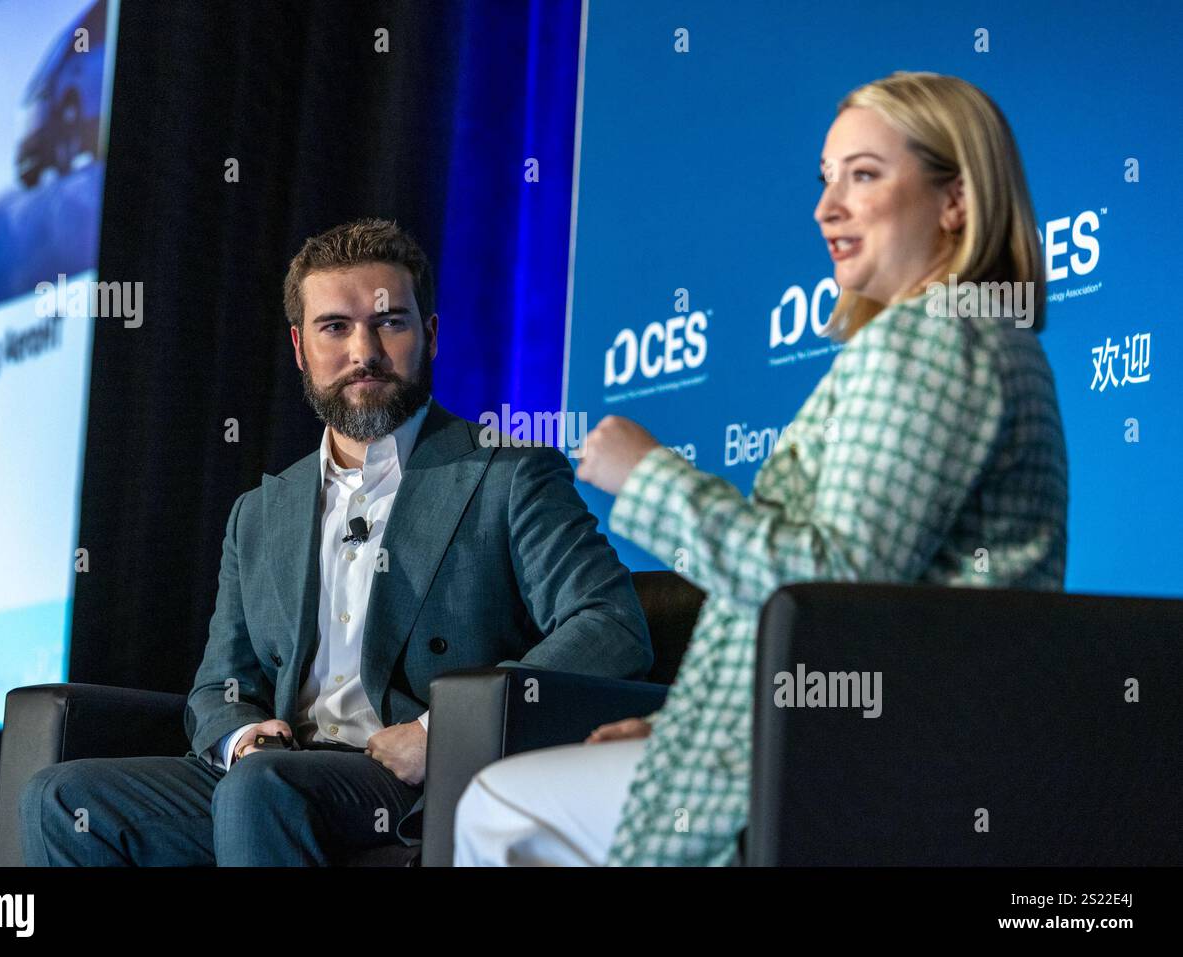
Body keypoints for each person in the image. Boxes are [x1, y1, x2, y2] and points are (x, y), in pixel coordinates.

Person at [453, 71, 1068, 866]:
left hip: (878, 768)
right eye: (826, 178)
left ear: (956, 201)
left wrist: (647, 475)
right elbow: (875, 622)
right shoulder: (983, 333)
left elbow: (835, 593)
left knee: (499, 808)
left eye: (865, 175)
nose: (827, 207)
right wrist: (706, 731)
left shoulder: (932, 341)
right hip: (903, 747)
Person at [19, 218, 652, 865]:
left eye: (389, 322)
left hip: (412, 776)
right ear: (299, 346)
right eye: (335, 327)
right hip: (280, 769)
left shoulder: (507, 474)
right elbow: (219, 684)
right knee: (62, 799)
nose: (364, 350)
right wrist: (240, 735)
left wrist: (450, 729)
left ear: (429, 335)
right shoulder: (259, 512)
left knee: (261, 791)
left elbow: (610, 624)